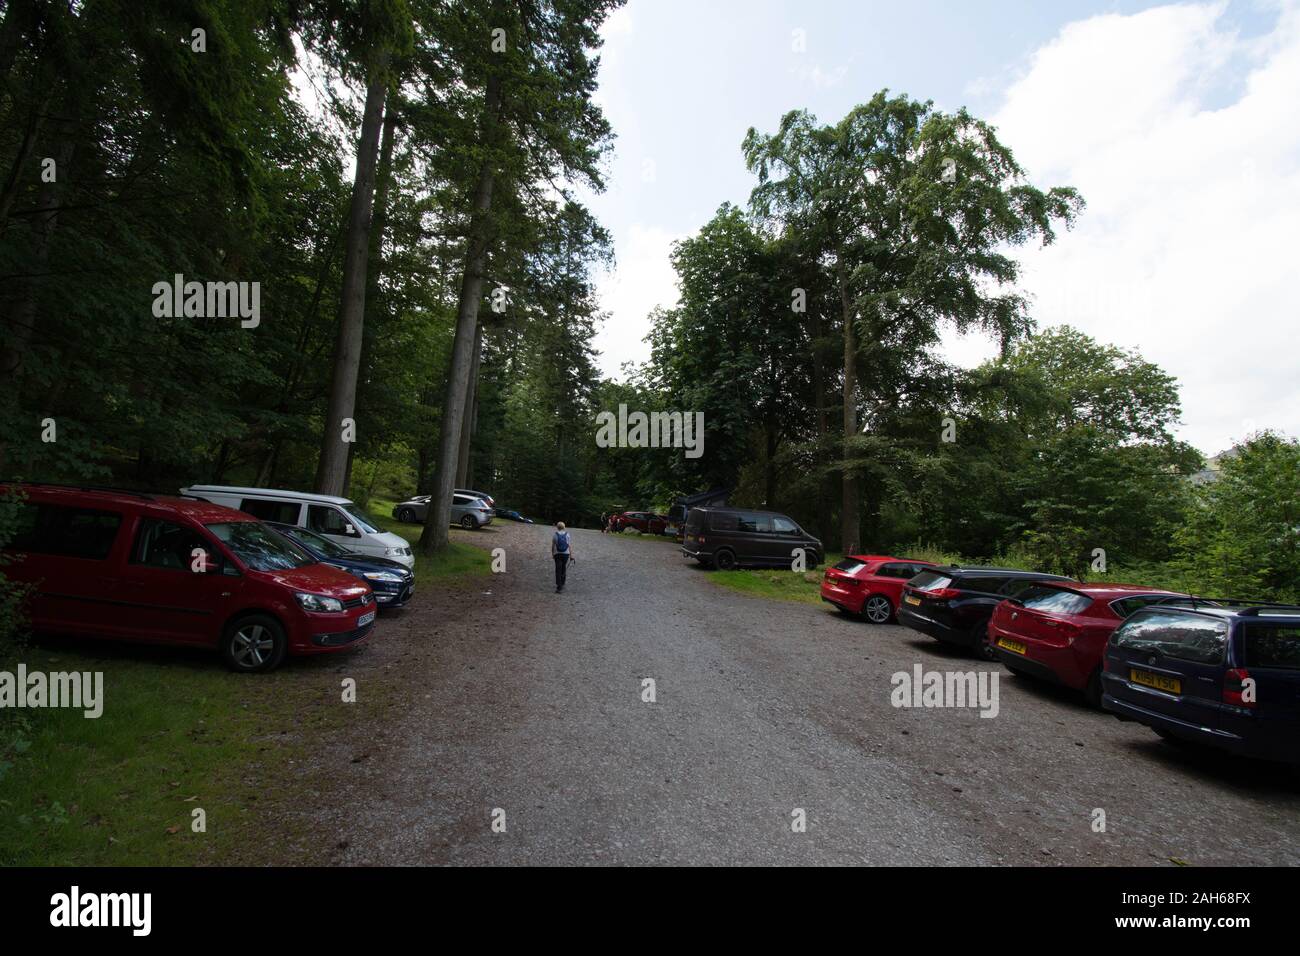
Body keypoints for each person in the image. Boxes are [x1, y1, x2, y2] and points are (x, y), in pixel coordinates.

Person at [551, 521, 573, 592]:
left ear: (557, 527)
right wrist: (571, 555)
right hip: (566, 554)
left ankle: (559, 586)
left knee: (558, 570)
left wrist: (553, 554)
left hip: (557, 554)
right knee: (563, 568)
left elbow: (553, 546)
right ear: (564, 527)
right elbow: (569, 545)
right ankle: (562, 583)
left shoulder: (555, 535)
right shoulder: (567, 534)